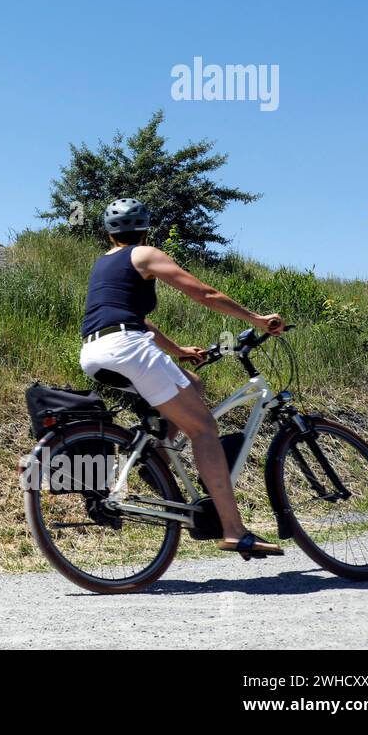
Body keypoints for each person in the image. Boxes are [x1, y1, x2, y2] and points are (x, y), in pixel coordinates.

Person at [78, 197, 286, 559]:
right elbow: (203, 293)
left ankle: (156, 452)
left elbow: (135, 318)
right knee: (203, 429)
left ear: (109, 233)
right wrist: (256, 319)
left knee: (193, 384)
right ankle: (235, 531)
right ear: (144, 228)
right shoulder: (143, 254)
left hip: (95, 353)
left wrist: (176, 351)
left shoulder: (103, 264)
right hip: (129, 348)